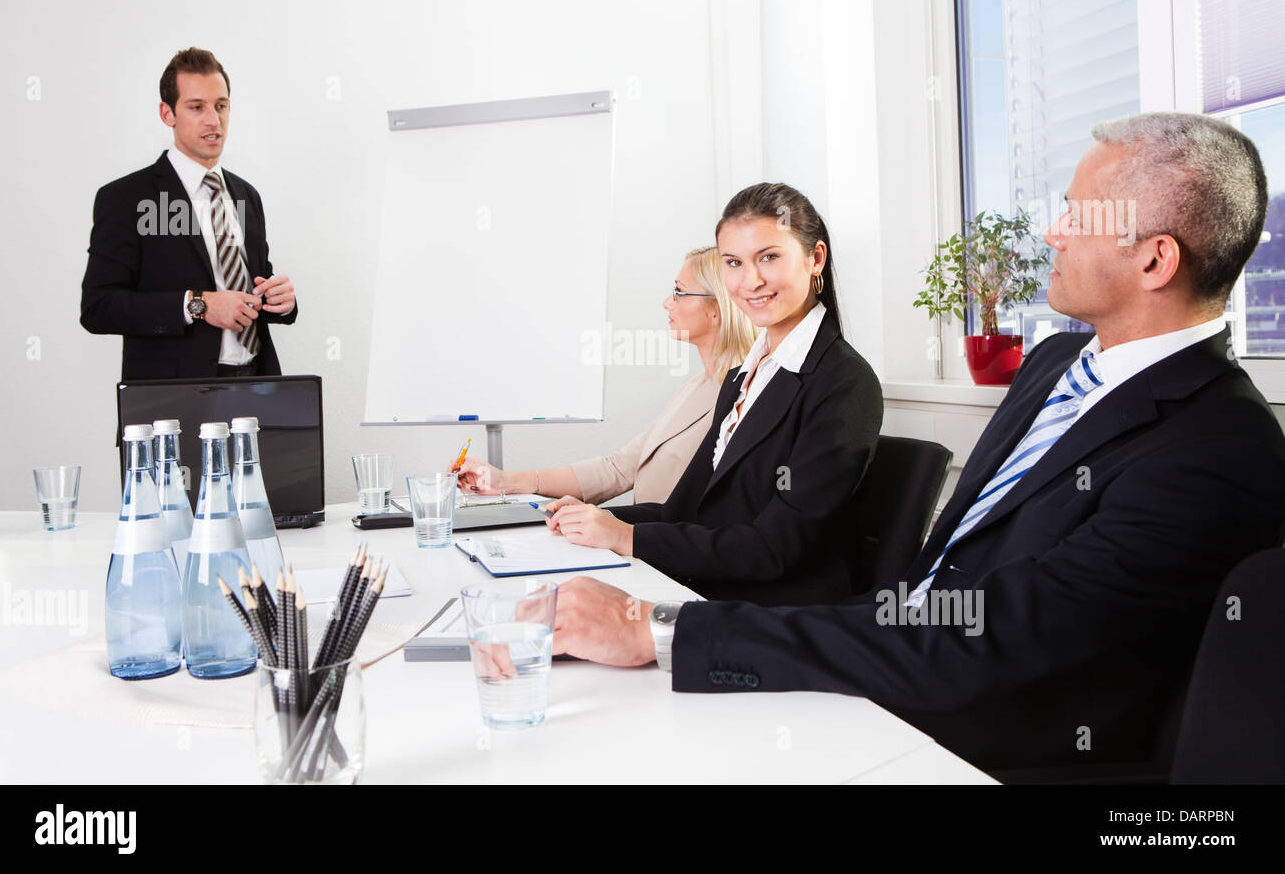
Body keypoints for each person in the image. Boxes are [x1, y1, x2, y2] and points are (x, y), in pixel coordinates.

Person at [549, 113, 1285, 780]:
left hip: (979, 742)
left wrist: (664, 628)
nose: (1052, 232)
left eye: (1075, 215)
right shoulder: (1056, 363)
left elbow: (991, 636)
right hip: (894, 660)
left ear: (1156, 261)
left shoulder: (1219, 447)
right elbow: (926, 592)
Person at [545, 184, 884, 607]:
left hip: (774, 611)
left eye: (770, 257)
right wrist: (593, 519)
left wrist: (624, 536)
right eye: (734, 263)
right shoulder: (746, 373)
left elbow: (775, 547)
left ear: (815, 258)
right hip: (713, 586)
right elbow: (683, 512)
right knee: (552, 603)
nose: (751, 281)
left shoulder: (845, 383)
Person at [453, 248, 755, 505]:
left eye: (679, 292)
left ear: (717, 310)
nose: (667, 302)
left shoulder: (748, 394)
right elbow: (619, 469)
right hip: (651, 552)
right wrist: (505, 481)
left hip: (680, 561)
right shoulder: (695, 386)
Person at [80, 47, 298, 380]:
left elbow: (253, 286)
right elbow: (99, 308)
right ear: (167, 114)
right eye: (196, 107)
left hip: (256, 385)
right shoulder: (126, 198)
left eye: (221, 106)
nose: (214, 120)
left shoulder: (246, 195)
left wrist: (280, 301)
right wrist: (199, 305)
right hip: (175, 398)